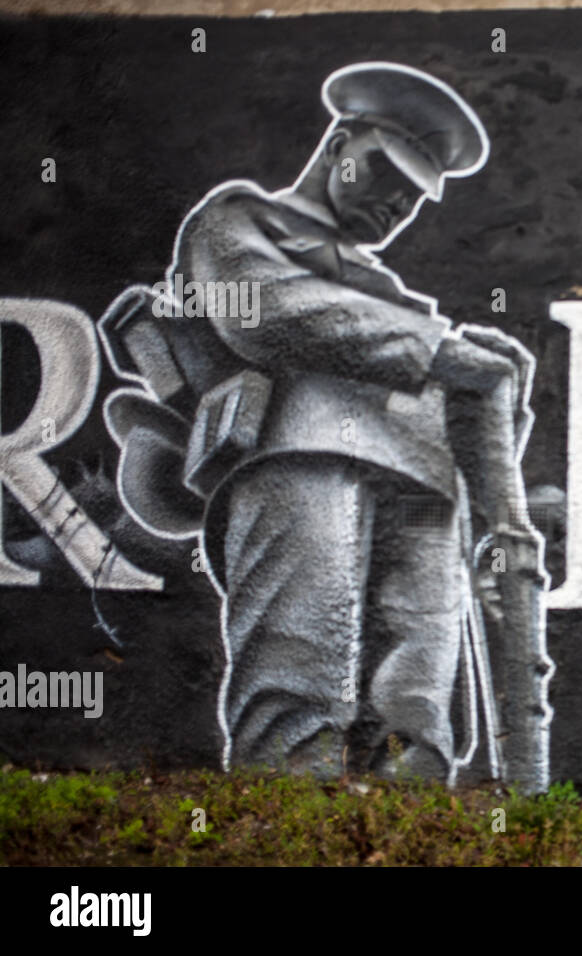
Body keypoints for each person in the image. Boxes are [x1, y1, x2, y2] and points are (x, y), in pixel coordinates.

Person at [100, 63, 552, 790]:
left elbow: (471, 442)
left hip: (424, 486)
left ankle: (412, 831)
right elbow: (264, 312)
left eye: (412, 197)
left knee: (417, 713)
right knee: (300, 677)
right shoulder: (241, 219)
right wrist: (438, 349)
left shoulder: (394, 297)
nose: (396, 204)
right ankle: (288, 828)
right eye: (384, 174)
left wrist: (501, 392)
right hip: (301, 453)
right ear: (340, 144)